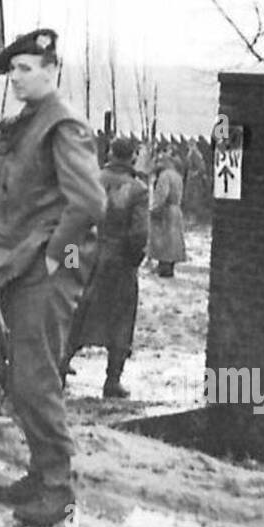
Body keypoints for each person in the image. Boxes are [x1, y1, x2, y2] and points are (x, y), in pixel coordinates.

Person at [0, 29, 105, 527]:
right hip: (26, 266)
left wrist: (55, 260)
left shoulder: (64, 124)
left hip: (46, 271)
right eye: (11, 69)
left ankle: (58, 489)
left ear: (51, 70)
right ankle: (40, 474)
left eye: (25, 68)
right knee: (24, 377)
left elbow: (88, 204)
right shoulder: (33, 125)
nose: (15, 78)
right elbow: (33, 197)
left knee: (36, 380)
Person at [61, 136, 150, 398]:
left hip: (87, 258)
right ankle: (112, 381)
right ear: (132, 157)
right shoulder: (138, 190)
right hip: (119, 263)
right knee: (120, 320)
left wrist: (71, 262)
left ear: (110, 153)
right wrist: (134, 261)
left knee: (77, 315)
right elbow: (139, 234)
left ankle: (60, 368)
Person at [149, 147, 187, 277]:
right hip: (176, 209)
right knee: (174, 242)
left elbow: (161, 195)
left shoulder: (165, 176)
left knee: (164, 242)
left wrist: (154, 209)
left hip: (166, 212)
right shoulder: (177, 175)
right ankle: (169, 267)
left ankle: (163, 268)